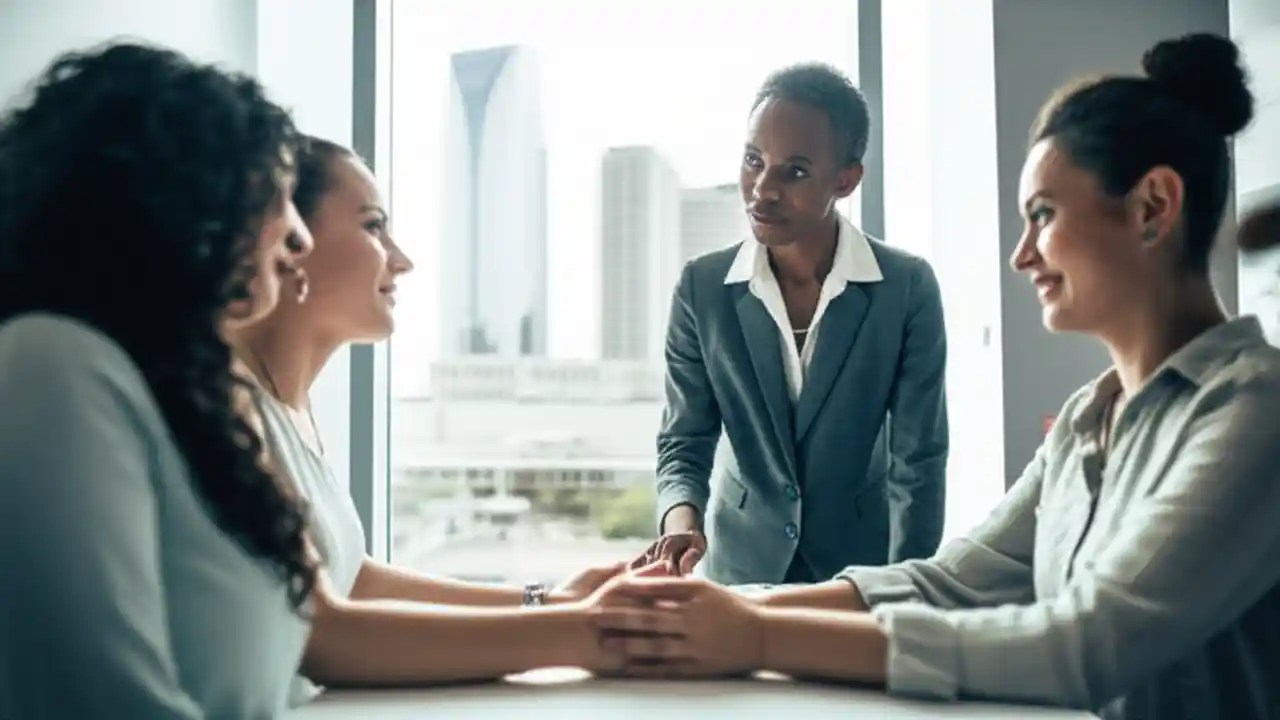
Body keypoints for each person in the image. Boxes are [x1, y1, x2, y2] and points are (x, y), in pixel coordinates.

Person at [596, 33, 1280, 719]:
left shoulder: (1255, 409)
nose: (1021, 255)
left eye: (1042, 215)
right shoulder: (1085, 420)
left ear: (1153, 206)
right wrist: (717, 604)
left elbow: (1087, 640)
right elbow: (949, 581)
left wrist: (759, 633)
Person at [227, 136, 659, 693]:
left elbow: (350, 578)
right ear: (290, 239)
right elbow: (323, 631)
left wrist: (554, 600)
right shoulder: (231, 404)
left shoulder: (291, 407)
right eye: (373, 226)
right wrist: (587, 631)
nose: (400, 259)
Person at [0, 43, 319, 718]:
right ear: (190, 196)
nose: (299, 238)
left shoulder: (183, 400)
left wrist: (551, 604)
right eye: (277, 194)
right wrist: (558, 614)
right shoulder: (51, 365)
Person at [639, 63, 947, 583]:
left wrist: (906, 588)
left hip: (860, 574)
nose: (762, 189)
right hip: (737, 573)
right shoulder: (702, 289)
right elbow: (683, 441)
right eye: (753, 161)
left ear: (846, 180)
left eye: (795, 171)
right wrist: (681, 522)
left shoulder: (906, 288)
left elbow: (917, 463)